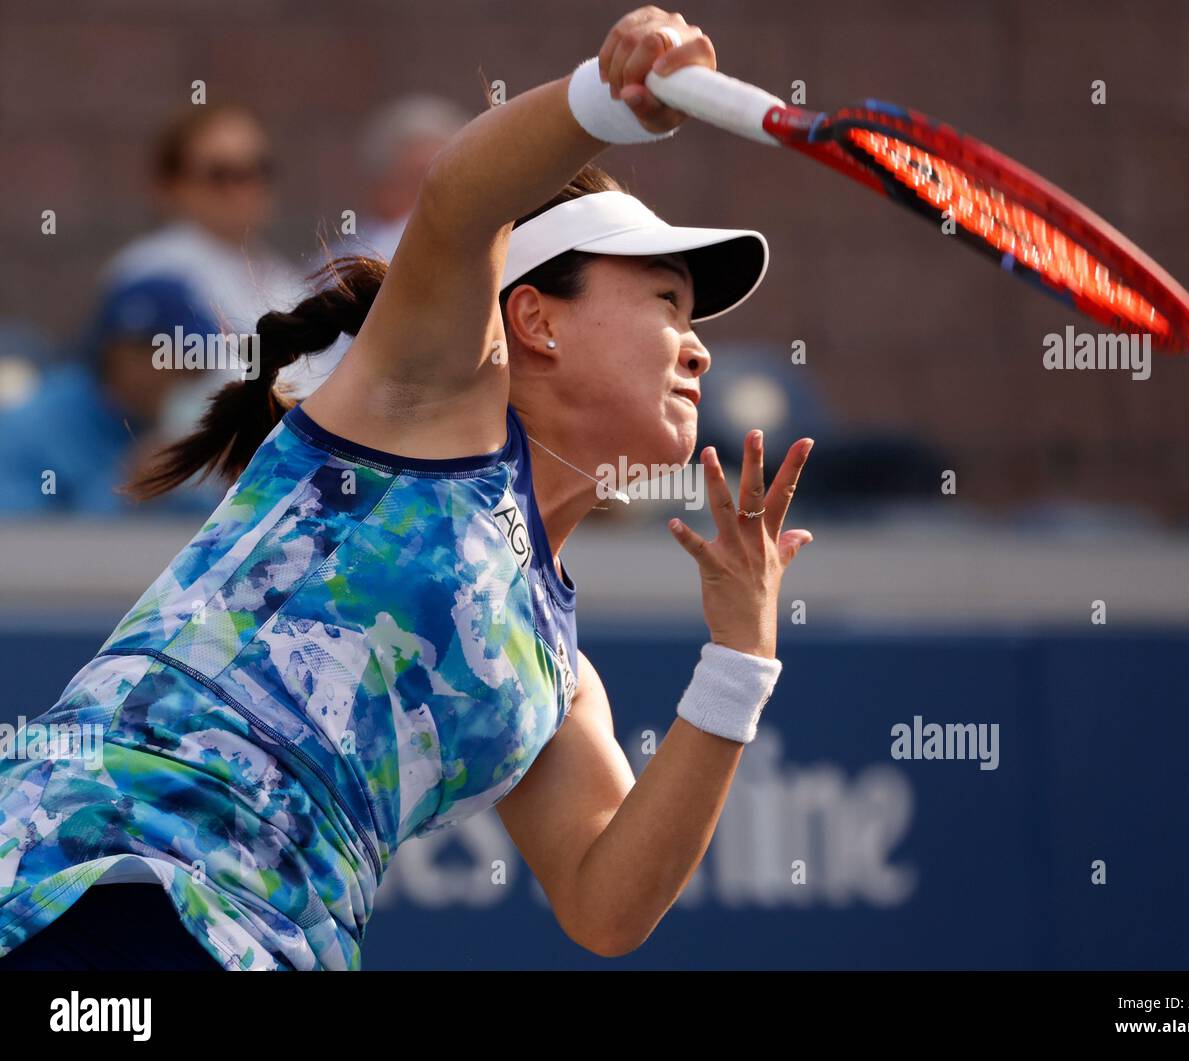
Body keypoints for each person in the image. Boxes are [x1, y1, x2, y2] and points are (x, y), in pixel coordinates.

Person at [0, 9, 814, 971]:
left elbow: (607, 902)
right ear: (536, 321)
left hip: (267, 947)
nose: (700, 343)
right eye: (666, 301)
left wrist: (740, 656)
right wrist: (608, 99)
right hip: (106, 881)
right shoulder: (431, 405)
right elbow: (463, 198)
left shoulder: (557, 677)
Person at [103, 102, 305, 438]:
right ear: (171, 186)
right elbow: (180, 401)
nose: (244, 187)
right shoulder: (150, 271)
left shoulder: (285, 275)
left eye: (258, 170)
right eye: (222, 174)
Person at [277, 95, 473, 399]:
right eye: (419, 179)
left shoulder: (476, 252)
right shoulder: (341, 262)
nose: (436, 194)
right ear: (383, 184)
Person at [0, 274, 226, 515]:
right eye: (182, 361)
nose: (189, 378)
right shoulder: (29, 429)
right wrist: (128, 486)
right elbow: (17, 537)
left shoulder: (158, 424)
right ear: (123, 354)